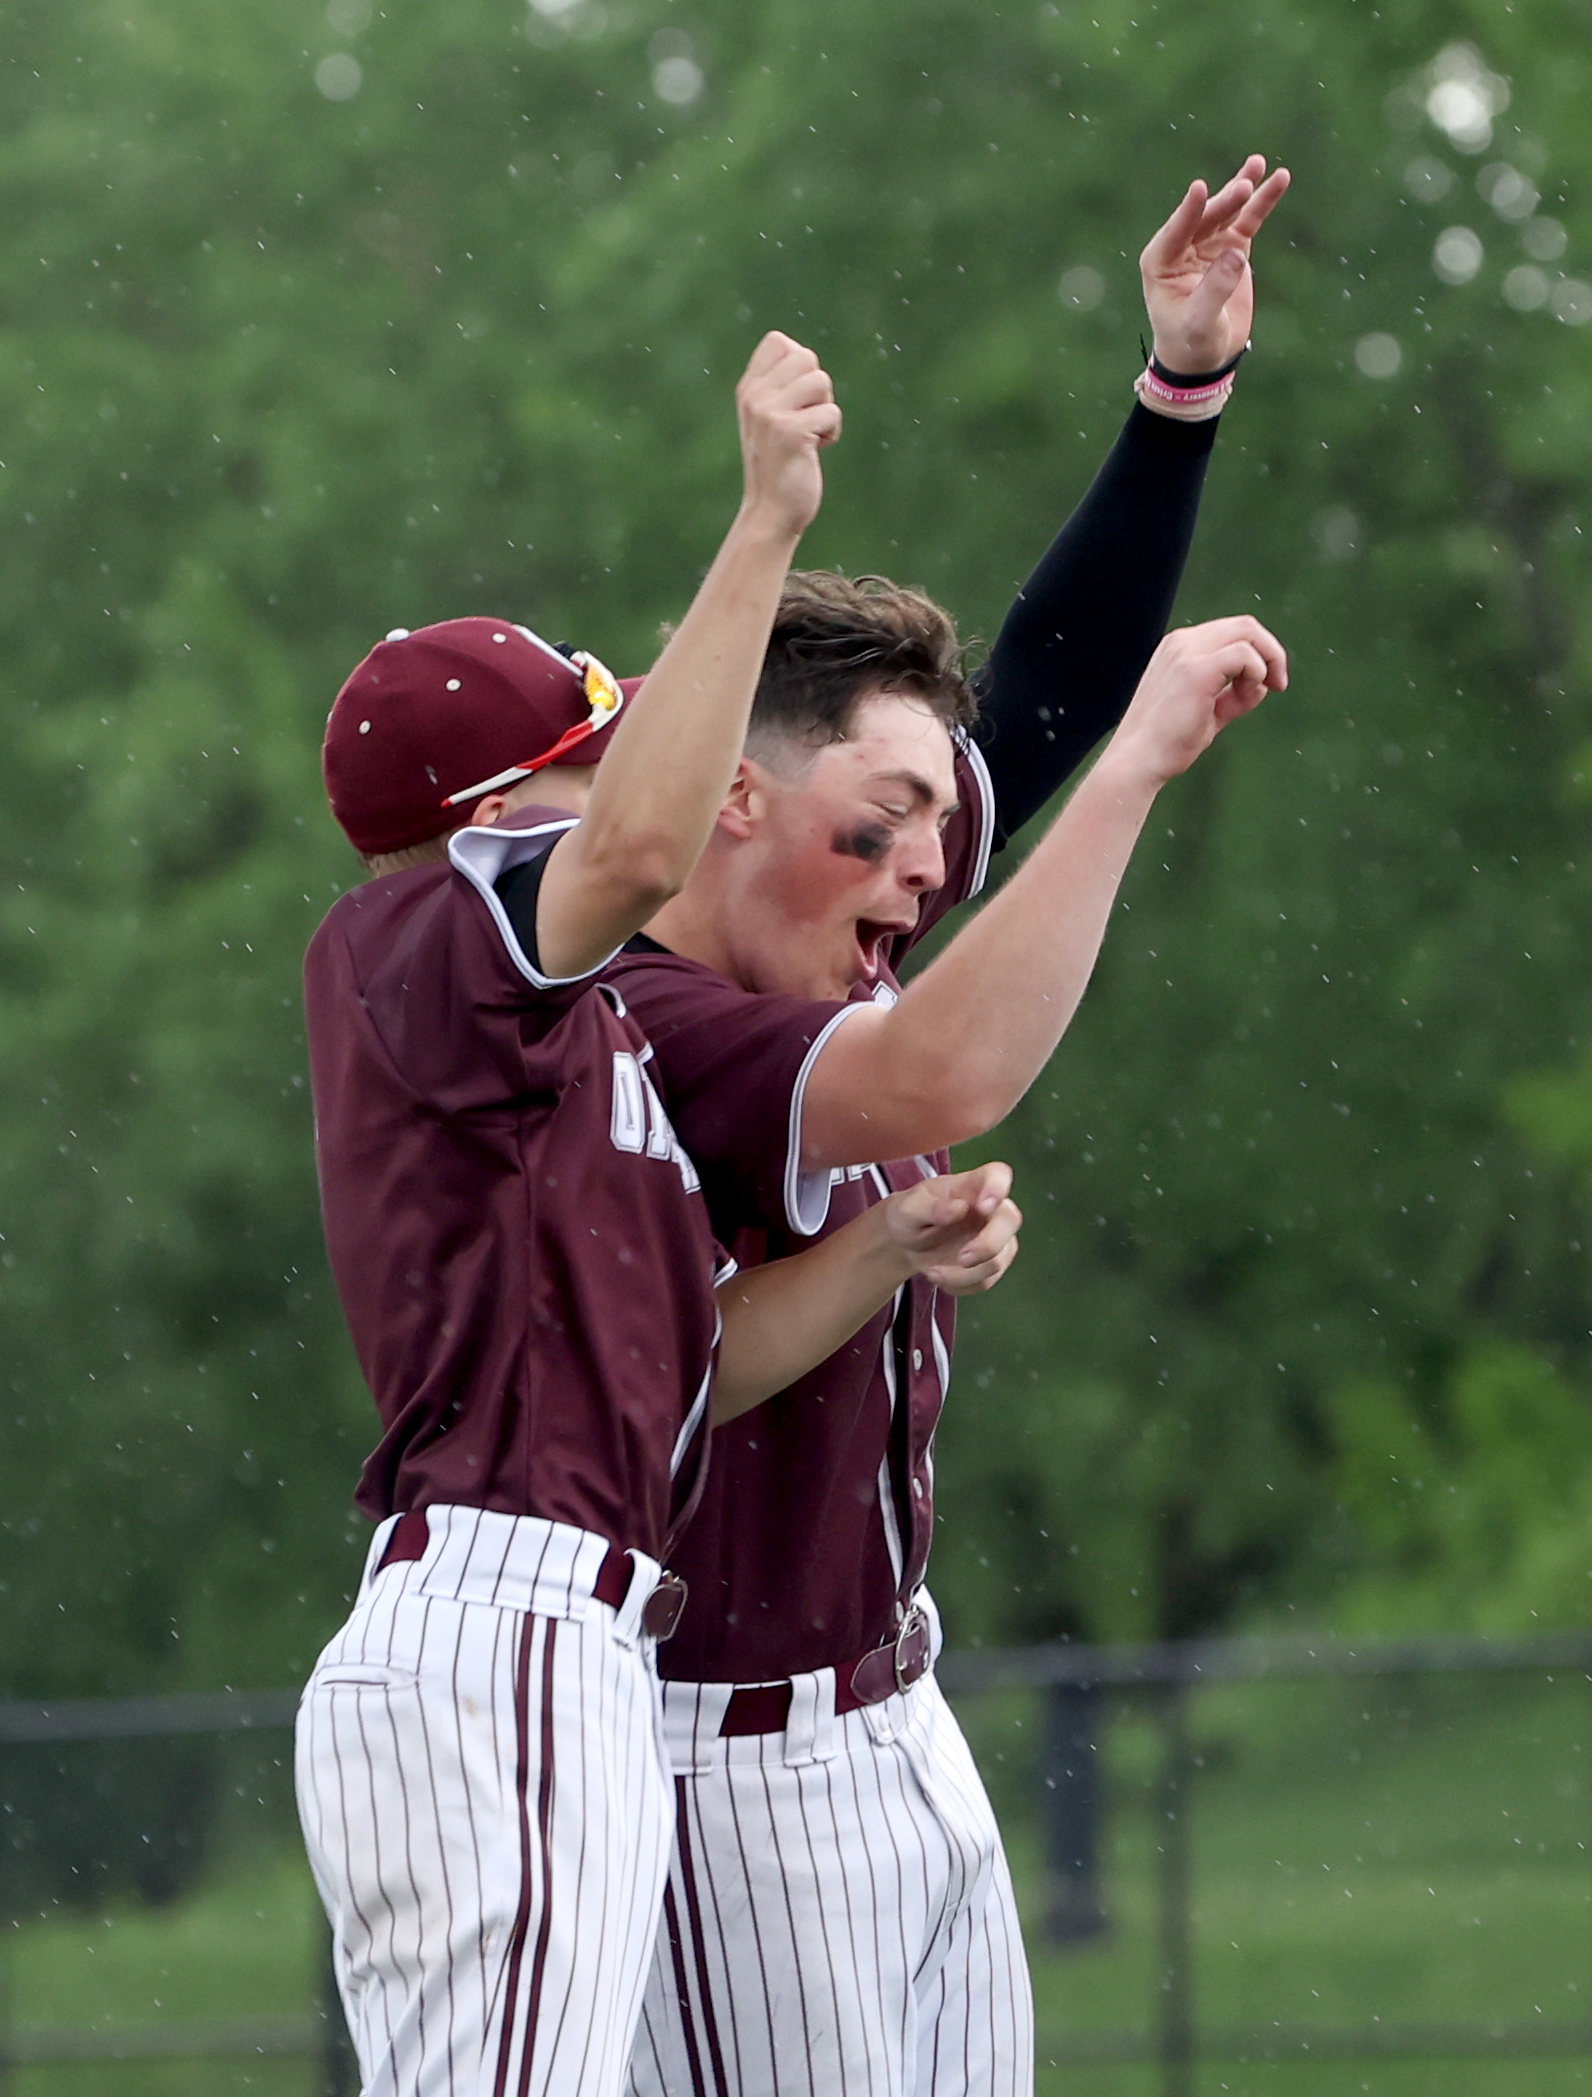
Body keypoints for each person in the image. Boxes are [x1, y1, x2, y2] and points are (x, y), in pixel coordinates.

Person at [612, 162, 1290, 2095]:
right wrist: (1146, 766)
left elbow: (1049, 687)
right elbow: (941, 1086)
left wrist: (1177, 394)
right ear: (733, 799)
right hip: (725, 1756)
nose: (934, 854)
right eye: (887, 815)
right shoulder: (657, 1015)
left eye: (938, 816)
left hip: (896, 1702)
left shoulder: (822, 899)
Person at [292, 333, 1025, 2097]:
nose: (660, 793)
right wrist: (768, 517)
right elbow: (626, 848)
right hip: (499, 1626)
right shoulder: (426, 937)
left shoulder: (572, 1019)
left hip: (569, 1639)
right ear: (490, 814)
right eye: (593, 758)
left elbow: (697, 1360)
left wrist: (879, 1249)